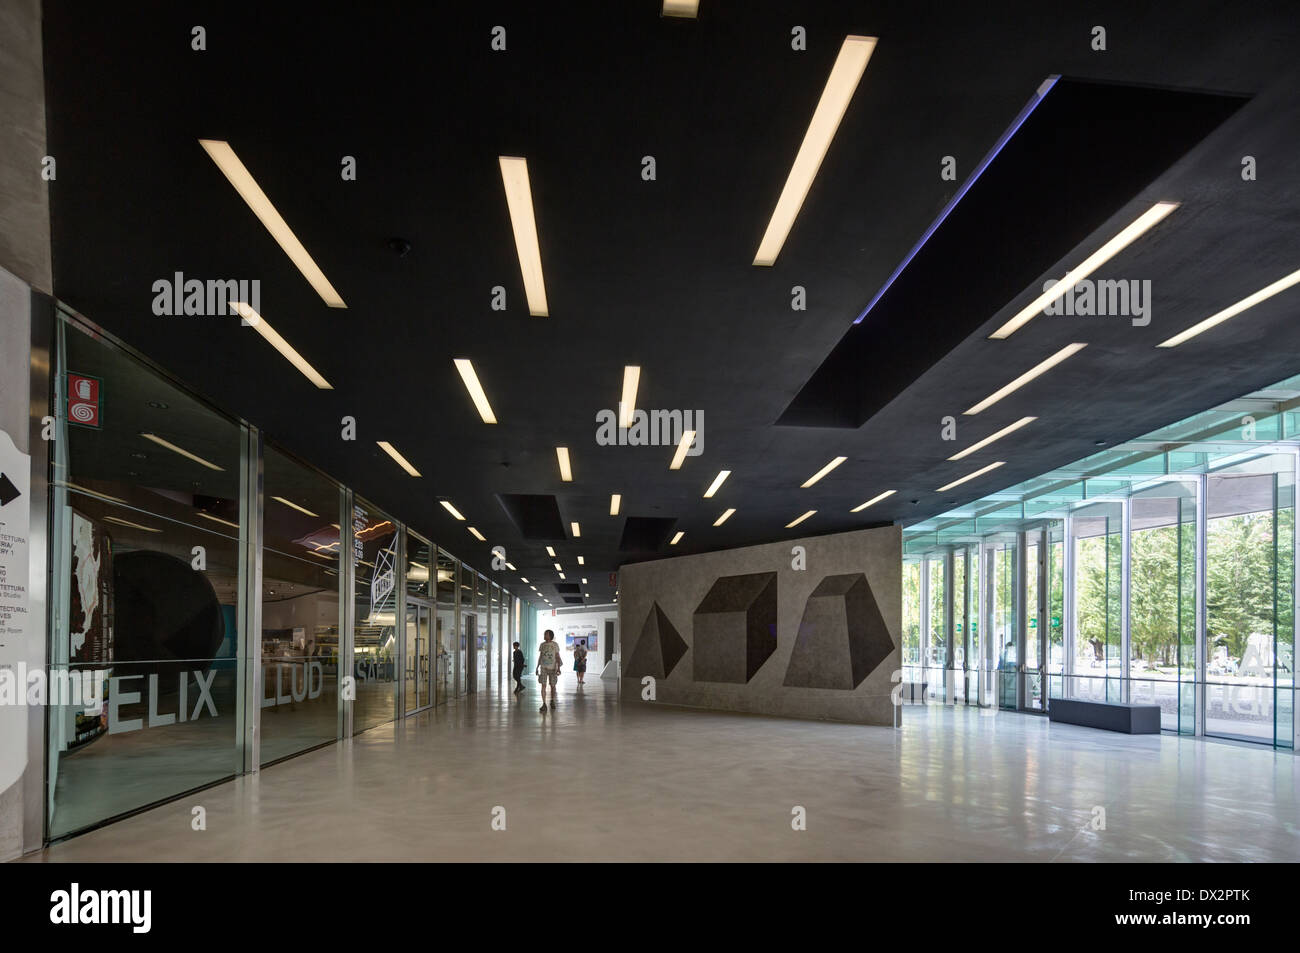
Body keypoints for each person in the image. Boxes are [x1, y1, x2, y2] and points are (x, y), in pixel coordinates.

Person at [536, 630, 562, 712]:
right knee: (543, 685)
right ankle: (544, 704)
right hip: (543, 667)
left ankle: (552, 700)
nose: (544, 635)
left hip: (553, 668)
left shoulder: (555, 645)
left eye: (546, 634)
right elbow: (540, 656)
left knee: (553, 686)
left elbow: (557, 656)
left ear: (550, 636)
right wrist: (537, 667)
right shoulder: (542, 645)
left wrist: (558, 668)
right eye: (544, 634)